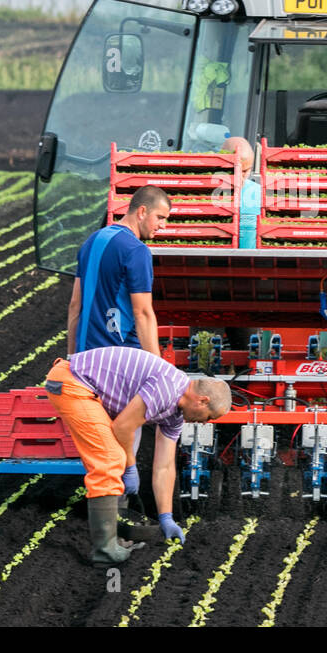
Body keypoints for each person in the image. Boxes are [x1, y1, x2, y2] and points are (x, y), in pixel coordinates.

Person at [44, 347, 231, 566]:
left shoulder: (176, 414)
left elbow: (165, 466)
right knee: (111, 459)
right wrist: (131, 467)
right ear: (202, 401)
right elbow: (122, 427)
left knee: (117, 458)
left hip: (87, 389)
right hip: (73, 381)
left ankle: (117, 538)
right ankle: (105, 551)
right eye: (209, 417)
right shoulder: (169, 388)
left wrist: (166, 517)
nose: (205, 423)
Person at [66, 185, 170, 357]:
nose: (163, 226)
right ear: (142, 212)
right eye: (160, 217)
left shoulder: (92, 241)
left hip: (86, 355)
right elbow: (143, 314)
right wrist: (158, 368)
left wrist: (71, 356)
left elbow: (75, 304)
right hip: (120, 358)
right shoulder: (136, 250)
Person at [221, 136, 260, 248]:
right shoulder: (206, 192)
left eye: (245, 171)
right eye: (234, 169)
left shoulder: (259, 193)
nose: (240, 176)